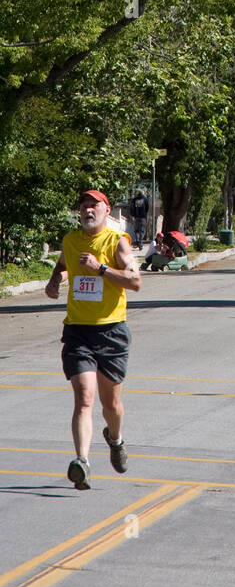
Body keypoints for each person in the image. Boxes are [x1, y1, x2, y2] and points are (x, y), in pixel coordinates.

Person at [44, 189, 141, 490]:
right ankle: (82, 461)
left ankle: (115, 438)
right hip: (78, 331)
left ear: (106, 210)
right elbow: (64, 262)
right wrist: (54, 278)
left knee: (110, 405)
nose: (87, 210)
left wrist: (100, 268)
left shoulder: (118, 242)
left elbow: (135, 281)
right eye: (83, 205)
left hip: (111, 331)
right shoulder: (71, 241)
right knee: (84, 397)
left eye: (93, 205)